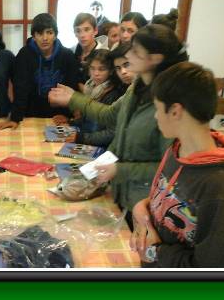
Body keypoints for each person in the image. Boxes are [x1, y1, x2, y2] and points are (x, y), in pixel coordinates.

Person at [48, 24, 188, 219]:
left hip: (147, 205)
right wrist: (74, 98)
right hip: (121, 194)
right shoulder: (136, 87)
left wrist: (119, 169)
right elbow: (111, 116)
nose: (128, 55)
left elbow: (170, 169)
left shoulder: (170, 105)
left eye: (136, 51)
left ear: (155, 59)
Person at [130, 62, 224, 268]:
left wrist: (157, 252)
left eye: (157, 108)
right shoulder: (176, 150)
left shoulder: (219, 186)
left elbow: (218, 266)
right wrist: (143, 206)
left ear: (175, 111)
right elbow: (174, 199)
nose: (156, 116)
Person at [0, 13, 79, 127]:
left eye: (49, 32)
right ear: (34, 36)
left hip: (58, 116)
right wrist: (15, 118)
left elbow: (71, 88)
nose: (45, 38)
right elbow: (20, 88)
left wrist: (66, 114)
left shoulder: (68, 56)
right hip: (30, 114)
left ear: (55, 35)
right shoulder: (24, 55)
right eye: (40, 33)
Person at [72, 48, 125, 147]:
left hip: (101, 148)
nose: (96, 73)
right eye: (92, 68)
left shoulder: (113, 95)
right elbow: (86, 120)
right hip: (87, 141)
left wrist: (81, 138)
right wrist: (71, 123)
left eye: (101, 69)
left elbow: (111, 133)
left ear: (110, 71)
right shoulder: (90, 88)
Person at [72, 12, 107, 86]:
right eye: (78, 31)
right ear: (74, 33)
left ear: (95, 31)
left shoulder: (104, 53)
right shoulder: (72, 51)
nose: (82, 35)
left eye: (87, 29)